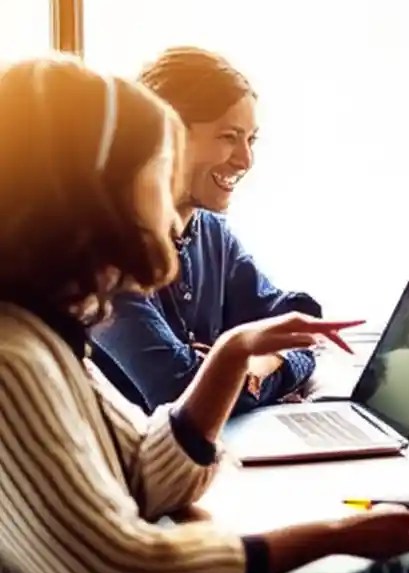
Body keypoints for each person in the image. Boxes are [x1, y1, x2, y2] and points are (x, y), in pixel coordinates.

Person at [0, 56, 409, 573]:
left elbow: (144, 475)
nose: (167, 205)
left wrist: (232, 354)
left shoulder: (43, 331)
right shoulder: (13, 360)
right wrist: (336, 536)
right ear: (95, 194)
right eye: (155, 173)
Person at [92, 46, 321, 415]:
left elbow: (302, 327)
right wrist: (238, 361)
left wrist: (260, 361)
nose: (245, 160)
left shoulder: (212, 233)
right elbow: (182, 392)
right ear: (165, 137)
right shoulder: (104, 255)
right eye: (229, 137)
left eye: (251, 140)